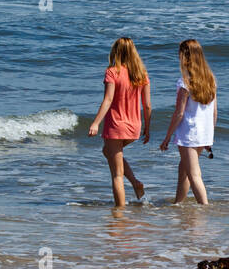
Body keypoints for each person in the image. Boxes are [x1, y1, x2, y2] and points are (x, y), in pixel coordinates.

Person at [89, 36, 150, 206]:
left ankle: (120, 215)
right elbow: (147, 105)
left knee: (116, 174)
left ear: (116, 52)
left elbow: (108, 100)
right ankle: (136, 183)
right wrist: (147, 128)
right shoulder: (141, 74)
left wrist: (95, 123)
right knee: (108, 152)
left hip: (116, 125)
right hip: (134, 126)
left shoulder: (112, 72)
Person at [160, 39, 217, 205]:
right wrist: (209, 136)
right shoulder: (210, 79)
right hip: (203, 132)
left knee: (193, 174)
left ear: (185, 56)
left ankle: (205, 207)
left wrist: (167, 138)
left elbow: (179, 113)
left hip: (189, 133)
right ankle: (178, 203)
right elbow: (214, 112)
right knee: (183, 169)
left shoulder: (184, 81)